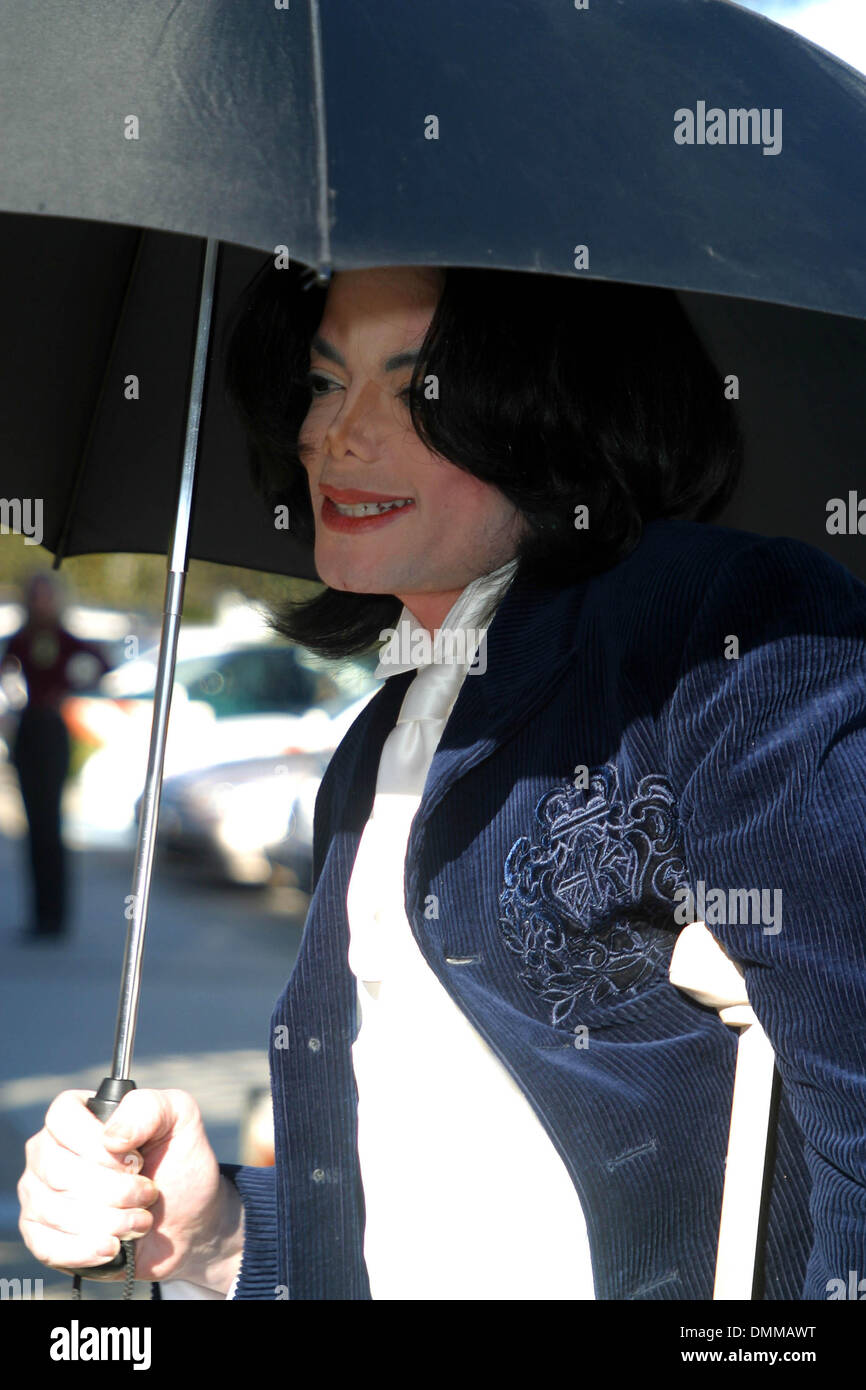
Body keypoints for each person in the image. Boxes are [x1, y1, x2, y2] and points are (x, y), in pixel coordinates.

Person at [16, 264, 866, 1299]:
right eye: (325, 383)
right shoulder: (376, 739)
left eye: (417, 389)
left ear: (554, 409)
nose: (338, 433)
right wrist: (218, 1236)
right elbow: (439, 1204)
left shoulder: (708, 629)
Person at [1, 573, 111, 941]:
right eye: (37, 596)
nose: (42, 603)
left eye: (47, 597)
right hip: (29, 731)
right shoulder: (22, 638)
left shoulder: (65, 639)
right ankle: (39, 915)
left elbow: (100, 664)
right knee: (34, 829)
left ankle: (56, 917)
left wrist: (71, 686)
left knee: (52, 827)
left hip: (52, 731)